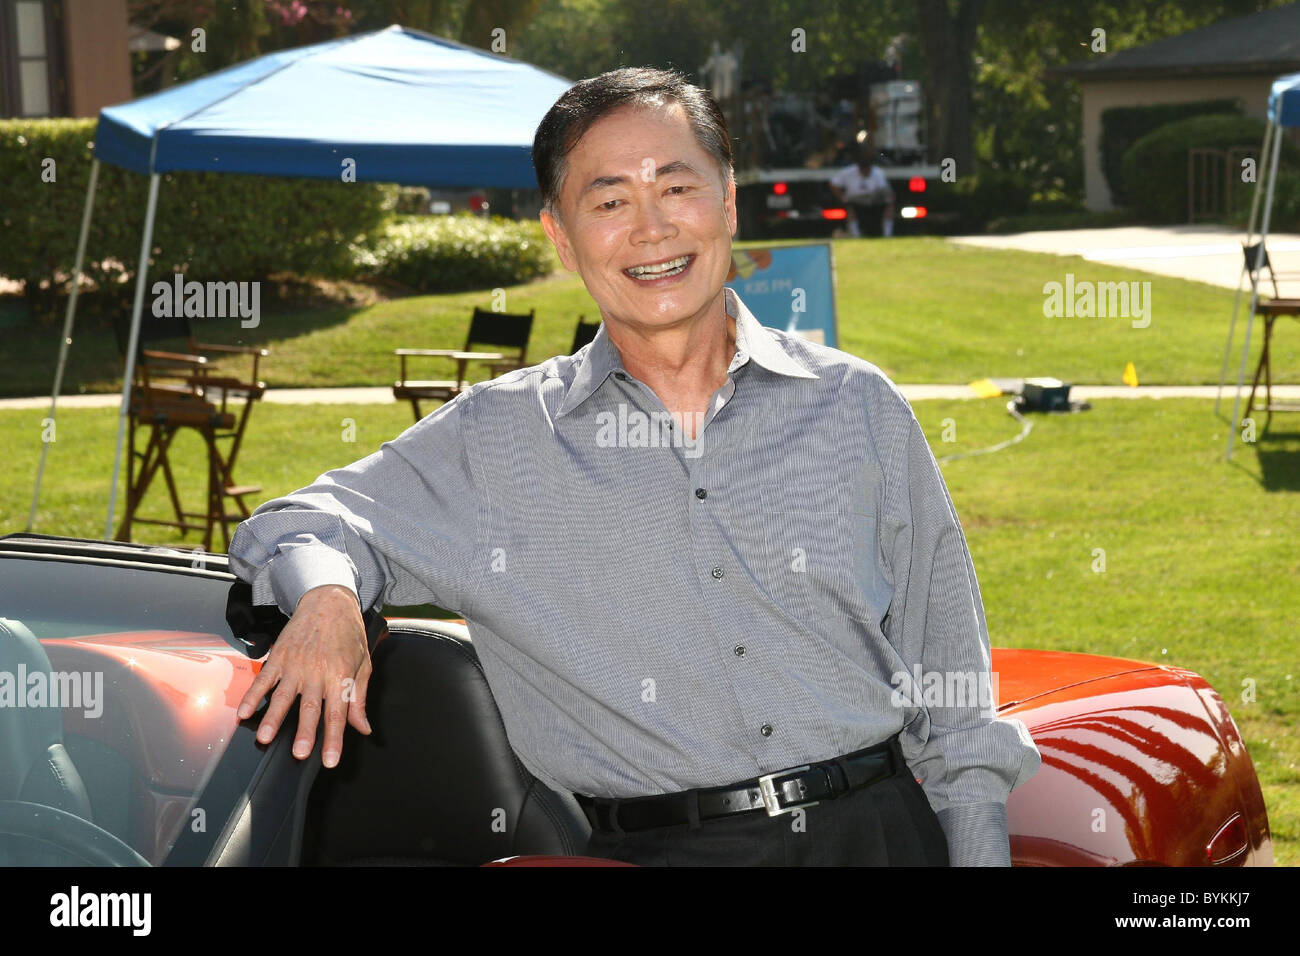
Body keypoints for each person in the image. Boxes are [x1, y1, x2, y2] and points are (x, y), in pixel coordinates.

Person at [227, 67, 1040, 867]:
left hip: (883, 837)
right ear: (559, 235)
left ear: (726, 200)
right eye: (610, 201)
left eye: (676, 189)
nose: (651, 230)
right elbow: (299, 523)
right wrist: (330, 599)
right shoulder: (498, 440)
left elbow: (956, 697)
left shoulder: (858, 405)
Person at [830, 147, 896, 238]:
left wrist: (887, 199)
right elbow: (834, 184)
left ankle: (887, 235)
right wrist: (842, 198)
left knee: (889, 205)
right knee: (850, 208)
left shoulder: (878, 173)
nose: (866, 171)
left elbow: (884, 190)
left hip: (874, 201)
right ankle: (855, 236)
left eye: (867, 169)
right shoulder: (848, 172)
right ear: (859, 168)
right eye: (863, 169)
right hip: (856, 201)